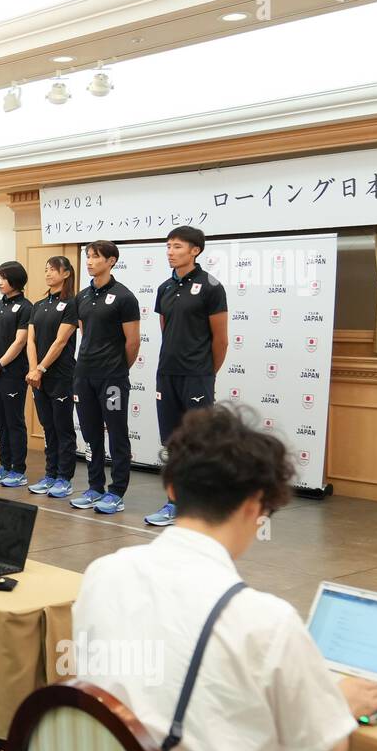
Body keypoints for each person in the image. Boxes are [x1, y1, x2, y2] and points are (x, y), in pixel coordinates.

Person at [72, 405, 377, 751]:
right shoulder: (266, 621)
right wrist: (342, 704)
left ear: (170, 488)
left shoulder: (101, 575)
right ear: (254, 504)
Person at [145, 226, 229, 527]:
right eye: (168, 246)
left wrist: (205, 373)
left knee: (199, 442)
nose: (170, 251)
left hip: (197, 376)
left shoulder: (211, 286)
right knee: (172, 442)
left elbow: (220, 339)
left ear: (195, 250)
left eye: (177, 246)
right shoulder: (164, 288)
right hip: (166, 373)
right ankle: (174, 503)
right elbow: (166, 329)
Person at [70, 241, 140, 515]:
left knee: (117, 432)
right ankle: (95, 486)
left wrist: (117, 370)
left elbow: (132, 342)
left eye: (95, 257)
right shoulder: (83, 296)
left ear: (111, 261)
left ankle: (117, 491)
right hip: (84, 375)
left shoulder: (124, 297)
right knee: (90, 432)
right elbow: (85, 333)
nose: (89, 261)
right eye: (88, 256)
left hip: (112, 378)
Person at [26, 257, 79, 499]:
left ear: (66, 273)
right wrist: (33, 368)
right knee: (48, 427)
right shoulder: (38, 305)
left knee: (62, 427)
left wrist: (42, 368)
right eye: (46, 269)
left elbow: (61, 341)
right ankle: (50, 474)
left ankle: (63, 478)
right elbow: (30, 340)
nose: (48, 274)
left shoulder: (71, 303)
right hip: (38, 376)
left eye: (53, 270)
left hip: (61, 374)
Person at [0, 260, 33, 488]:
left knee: (14, 422)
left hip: (12, 373)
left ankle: (18, 470)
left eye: (4, 278)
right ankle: (5, 465)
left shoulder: (26, 306)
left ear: (16, 280)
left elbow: (20, 342)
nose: (0, 282)